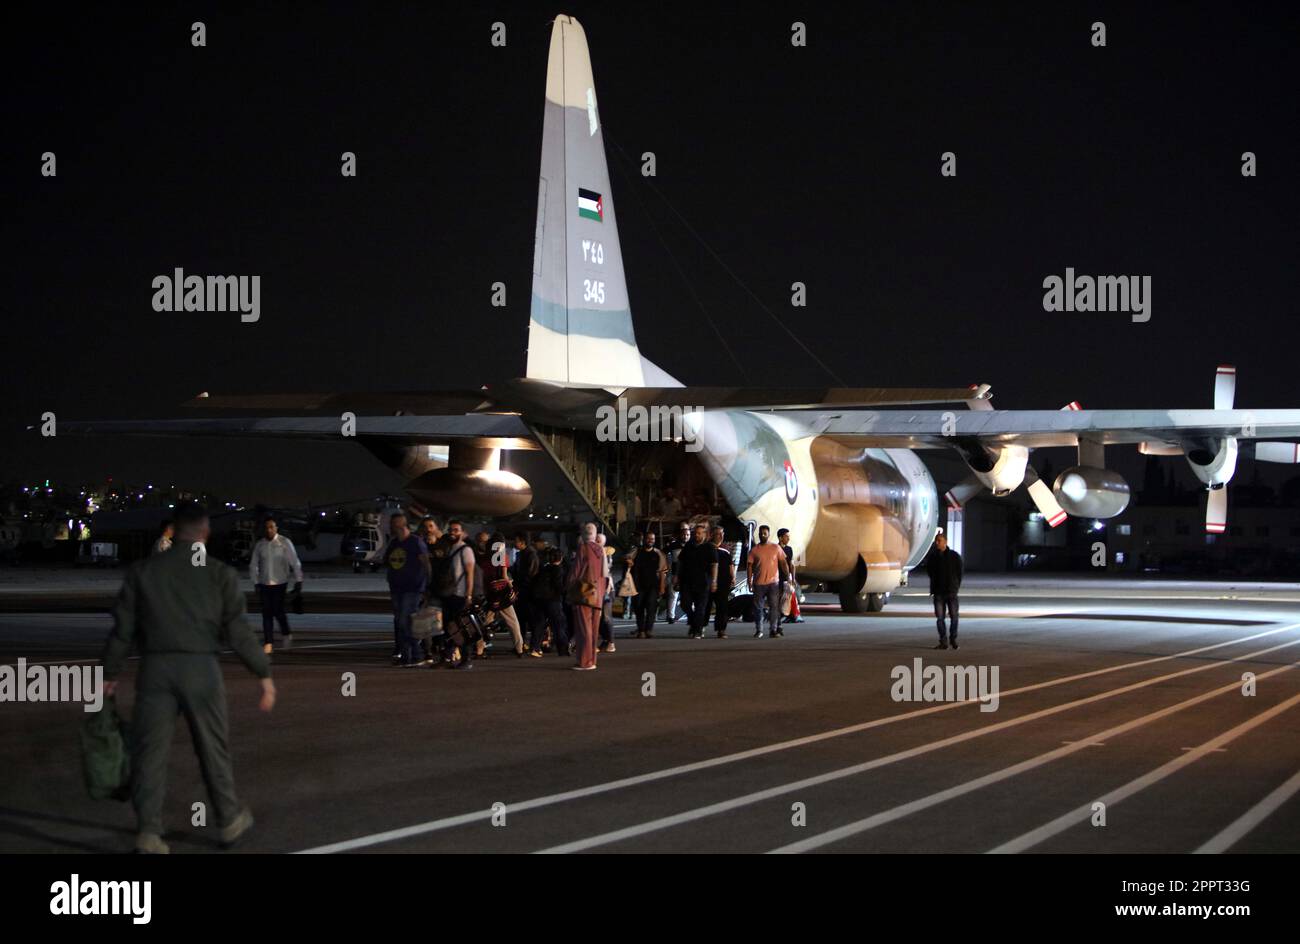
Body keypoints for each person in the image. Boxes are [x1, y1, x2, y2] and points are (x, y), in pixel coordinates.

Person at [101, 501, 273, 854]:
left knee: (149, 753)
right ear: (205, 534)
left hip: (155, 670)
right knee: (213, 749)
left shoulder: (144, 571)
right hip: (201, 670)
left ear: (173, 531)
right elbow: (237, 631)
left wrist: (109, 673)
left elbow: (123, 629)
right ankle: (227, 821)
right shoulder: (218, 573)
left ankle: (149, 833)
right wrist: (262, 672)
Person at [249, 515, 303, 655]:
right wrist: (255, 582)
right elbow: (253, 564)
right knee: (266, 613)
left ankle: (286, 634)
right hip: (264, 584)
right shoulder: (260, 545)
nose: (269, 530)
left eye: (272, 527)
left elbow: (294, 562)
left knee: (278, 611)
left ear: (276, 528)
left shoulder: (284, 543)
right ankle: (268, 642)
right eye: (266, 527)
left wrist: (299, 580)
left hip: (280, 583)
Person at [383, 512, 430, 666]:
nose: (391, 527)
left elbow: (426, 564)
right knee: (399, 622)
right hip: (397, 588)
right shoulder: (394, 543)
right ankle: (406, 655)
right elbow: (388, 561)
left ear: (400, 524)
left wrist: (428, 586)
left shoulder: (415, 542)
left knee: (405, 621)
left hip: (413, 588)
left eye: (393, 524)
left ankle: (416, 654)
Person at [440, 520, 478, 668]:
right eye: (450, 530)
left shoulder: (465, 550)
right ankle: (448, 657)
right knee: (449, 627)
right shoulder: (450, 549)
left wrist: (468, 595)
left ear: (463, 533)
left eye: (456, 530)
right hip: (449, 594)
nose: (452, 532)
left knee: (460, 629)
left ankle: (466, 658)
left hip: (460, 595)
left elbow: (470, 574)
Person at [568, 522, 605, 670]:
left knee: (584, 629)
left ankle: (584, 661)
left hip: (584, 593)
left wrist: (568, 587)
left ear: (583, 535)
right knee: (594, 629)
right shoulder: (601, 550)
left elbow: (575, 573)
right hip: (598, 594)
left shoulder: (583, 549)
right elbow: (604, 573)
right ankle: (592, 660)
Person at [484, 532, 525, 657]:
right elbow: (504, 576)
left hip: (489, 594)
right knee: (512, 622)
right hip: (502, 594)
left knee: (485, 622)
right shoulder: (502, 556)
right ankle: (519, 649)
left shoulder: (485, 557)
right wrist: (511, 586)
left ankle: (479, 649)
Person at [674, 522, 717, 638]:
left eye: (699, 533)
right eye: (695, 533)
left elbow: (714, 565)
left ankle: (697, 630)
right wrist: (676, 577)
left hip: (703, 582)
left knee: (700, 607)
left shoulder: (709, 547)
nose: (696, 535)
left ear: (704, 534)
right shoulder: (689, 546)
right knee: (685, 604)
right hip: (687, 581)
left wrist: (714, 581)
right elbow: (680, 562)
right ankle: (693, 622)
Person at [747, 525, 790, 638]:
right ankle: (759, 630)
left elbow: (783, 563)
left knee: (774, 607)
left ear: (769, 534)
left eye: (765, 533)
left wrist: (788, 577)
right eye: (761, 533)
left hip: (773, 583)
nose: (762, 535)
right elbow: (750, 566)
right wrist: (749, 581)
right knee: (758, 608)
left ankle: (773, 630)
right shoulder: (754, 550)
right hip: (758, 583)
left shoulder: (776, 548)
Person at [528, 546, 570, 657]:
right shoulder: (558, 569)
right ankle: (563, 649)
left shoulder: (544, 568)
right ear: (560, 558)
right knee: (559, 624)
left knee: (539, 623)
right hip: (552, 600)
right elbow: (558, 586)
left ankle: (534, 648)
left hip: (538, 599)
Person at [926, 531, 963, 650]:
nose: (937, 543)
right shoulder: (933, 557)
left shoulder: (954, 556)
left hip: (951, 592)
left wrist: (955, 587)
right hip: (938, 592)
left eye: (939, 541)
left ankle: (953, 638)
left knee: (954, 617)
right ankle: (943, 641)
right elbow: (930, 572)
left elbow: (960, 573)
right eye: (936, 541)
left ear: (945, 542)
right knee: (940, 618)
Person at [629, 530, 667, 638]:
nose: (650, 541)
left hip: (653, 586)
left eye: (652, 539)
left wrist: (662, 587)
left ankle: (649, 629)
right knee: (639, 607)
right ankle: (641, 630)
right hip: (638, 585)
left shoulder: (658, 554)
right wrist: (628, 561)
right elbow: (626, 557)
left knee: (651, 607)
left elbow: (662, 572)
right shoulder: (636, 551)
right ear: (644, 539)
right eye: (648, 538)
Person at [705, 526, 736, 638]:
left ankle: (721, 629)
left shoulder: (725, 549)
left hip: (723, 582)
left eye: (722, 534)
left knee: (722, 606)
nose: (721, 536)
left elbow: (730, 564)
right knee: (706, 605)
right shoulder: (707, 548)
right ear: (712, 535)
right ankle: (700, 627)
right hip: (708, 582)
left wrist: (733, 577)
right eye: (718, 534)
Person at [663, 521, 690, 623]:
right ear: (680, 535)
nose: (685, 536)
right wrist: (665, 567)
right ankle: (670, 616)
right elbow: (662, 552)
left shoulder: (692, 545)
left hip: (689, 573)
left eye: (688, 535)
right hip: (674, 573)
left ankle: (690, 615)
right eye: (683, 534)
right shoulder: (674, 545)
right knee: (673, 595)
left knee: (688, 595)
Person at [777, 528, 804, 624]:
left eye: (789, 537)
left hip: (787, 577)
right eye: (786, 536)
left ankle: (790, 615)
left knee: (791, 594)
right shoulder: (776, 549)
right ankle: (788, 615)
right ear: (780, 538)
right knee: (781, 596)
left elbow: (792, 564)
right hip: (777, 577)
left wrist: (793, 578)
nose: (788, 538)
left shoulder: (789, 549)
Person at [595, 533, 617, 653]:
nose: (596, 542)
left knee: (606, 617)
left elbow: (606, 570)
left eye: (598, 540)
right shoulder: (599, 552)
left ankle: (611, 642)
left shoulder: (606, 553)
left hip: (607, 589)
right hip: (600, 588)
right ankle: (606, 640)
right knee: (599, 618)